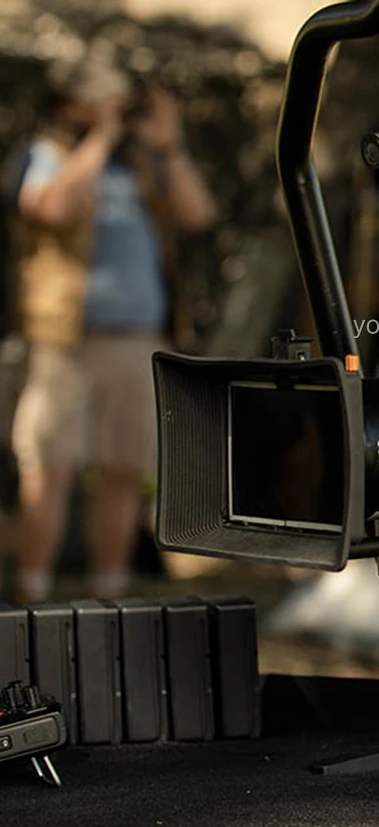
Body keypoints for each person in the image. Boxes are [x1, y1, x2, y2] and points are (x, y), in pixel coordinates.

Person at [8, 53, 216, 602]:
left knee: (122, 470)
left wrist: (168, 146)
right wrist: (100, 137)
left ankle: (109, 594)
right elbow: (51, 209)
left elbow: (197, 214)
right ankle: (30, 594)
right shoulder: (47, 154)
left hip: (138, 342)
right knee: (48, 467)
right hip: (66, 344)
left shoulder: (143, 164)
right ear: (68, 104)